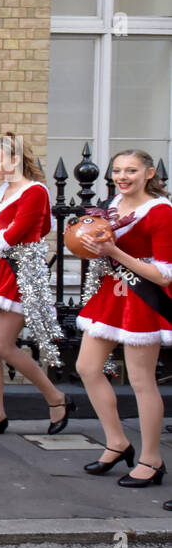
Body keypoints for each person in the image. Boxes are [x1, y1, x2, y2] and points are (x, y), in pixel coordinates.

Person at [0, 133, 72, 435]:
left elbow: (14, 236)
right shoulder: (1, 193)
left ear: (16, 159)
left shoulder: (36, 192)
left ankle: (56, 397)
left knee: (1, 343)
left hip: (21, 273)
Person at [74, 150, 170, 490]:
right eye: (117, 170)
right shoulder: (113, 205)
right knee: (87, 367)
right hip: (110, 294)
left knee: (142, 380)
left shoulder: (160, 212)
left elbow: (163, 276)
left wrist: (113, 252)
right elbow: (100, 246)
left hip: (143, 298)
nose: (122, 176)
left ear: (149, 173)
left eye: (131, 170)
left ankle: (152, 459)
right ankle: (117, 442)